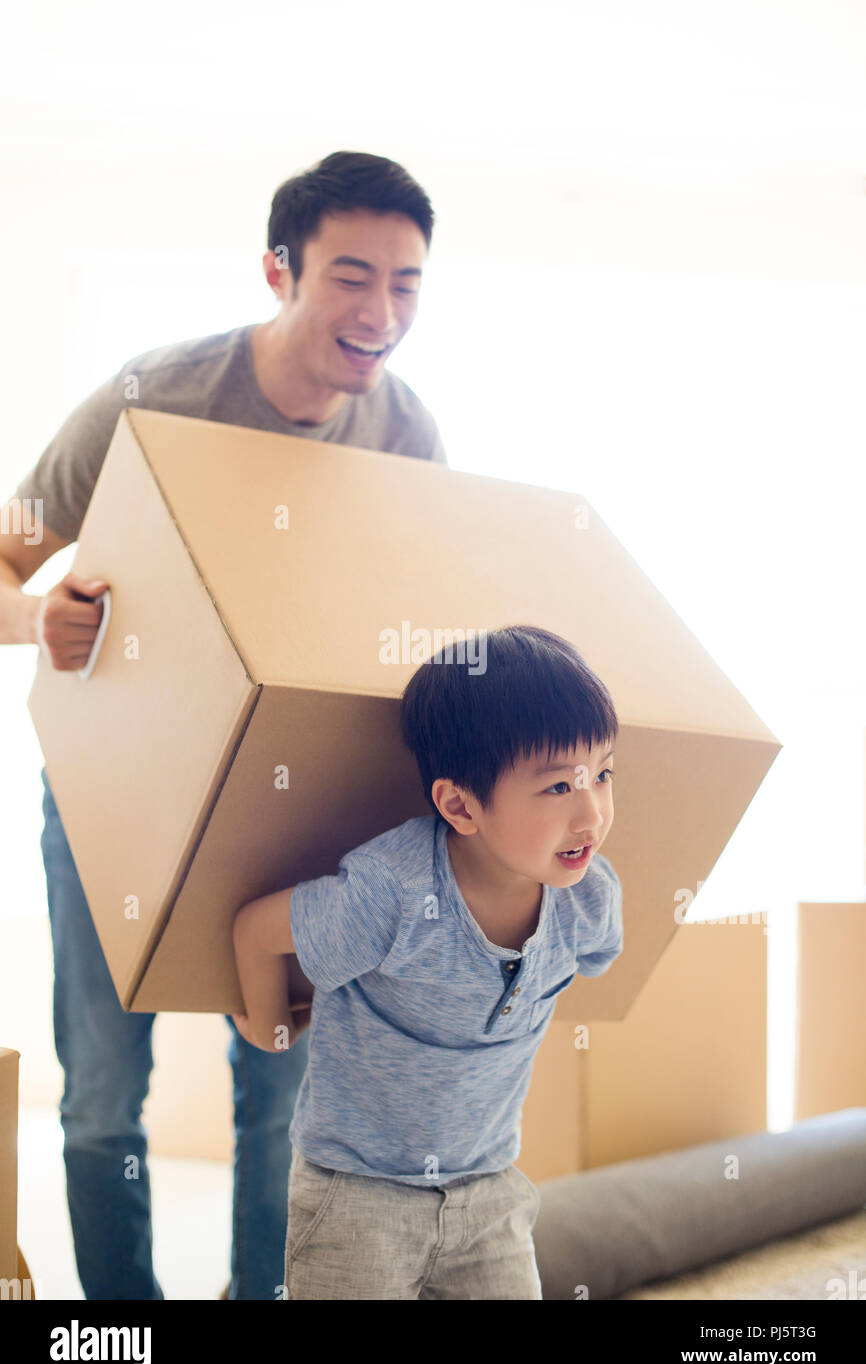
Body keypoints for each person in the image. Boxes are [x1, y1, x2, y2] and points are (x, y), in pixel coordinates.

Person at [0, 150, 447, 1300]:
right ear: (277, 270)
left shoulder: (405, 435)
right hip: (117, 797)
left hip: (292, 798)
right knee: (102, 1093)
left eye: (405, 284)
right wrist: (39, 614)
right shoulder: (156, 390)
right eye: (352, 276)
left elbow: (421, 618)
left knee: (285, 1090)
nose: (380, 312)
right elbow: (8, 559)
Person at [232, 624, 624, 1300]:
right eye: (559, 787)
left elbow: (581, 969)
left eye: (603, 773)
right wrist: (269, 1026)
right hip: (358, 1197)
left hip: (490, 1188)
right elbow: (255, 929)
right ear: (459, 805)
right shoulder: (396, 892)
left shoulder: (589, 898)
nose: (591, 813)